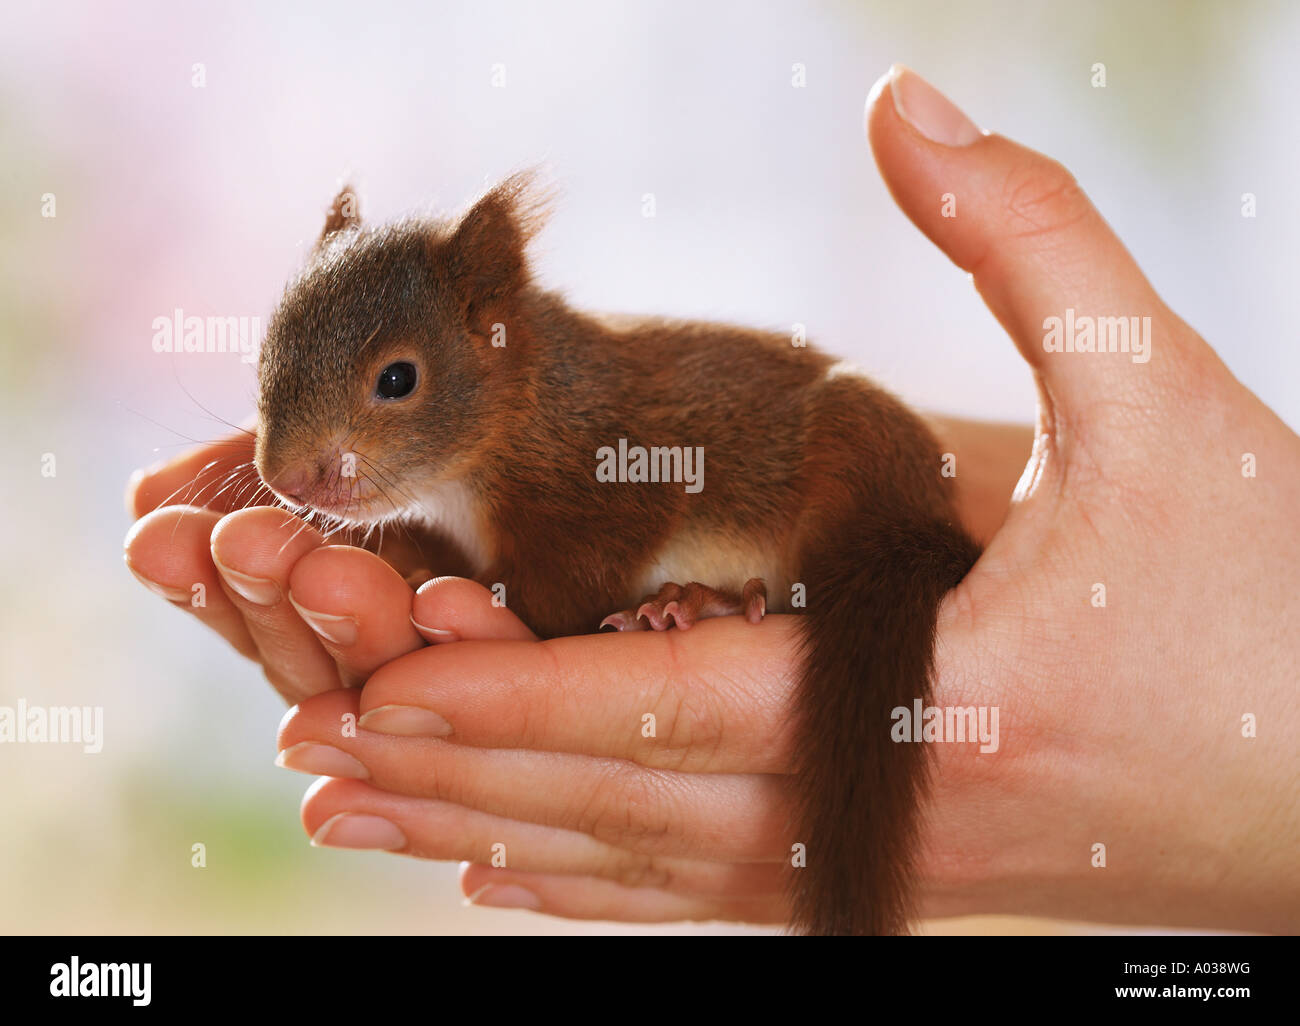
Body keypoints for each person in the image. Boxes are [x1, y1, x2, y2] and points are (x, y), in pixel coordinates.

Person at [124, 67, 1299, 931]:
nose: (301, 464)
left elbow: (605, 535)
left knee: (846, 473)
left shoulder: (564, 438)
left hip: (844, 480)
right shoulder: (463, 470)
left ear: (496, 329)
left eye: (389, 389)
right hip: (741, 561)